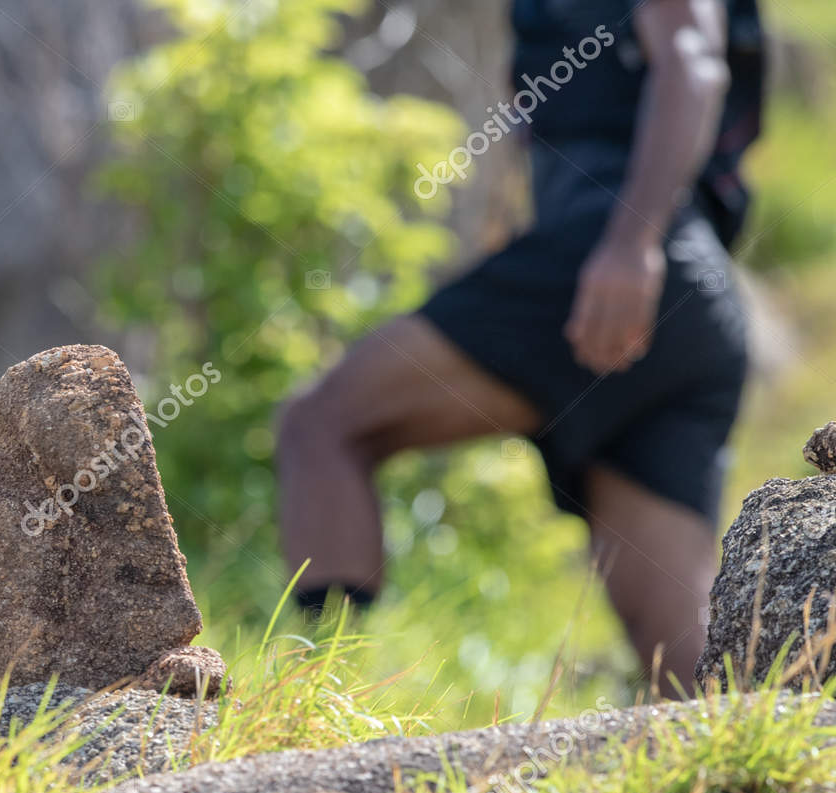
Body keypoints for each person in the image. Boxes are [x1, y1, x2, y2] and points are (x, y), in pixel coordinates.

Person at [274, 0, 764, 696]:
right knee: (690, 679)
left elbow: (693, 60)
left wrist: (631, 243)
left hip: (616, 259)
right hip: (694, 312)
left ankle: (310, 708)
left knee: (320, 425)